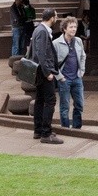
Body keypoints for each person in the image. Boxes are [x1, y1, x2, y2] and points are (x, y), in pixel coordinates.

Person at [31, 9, 63, 144]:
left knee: (39, 100)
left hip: (40, 71)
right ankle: (46, 133)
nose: (56, 19)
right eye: (55, 16)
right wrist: (48, 73)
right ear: (51, 18)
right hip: (44, 73)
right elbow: (41, 54)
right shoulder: (43, 31)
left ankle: (38, 130)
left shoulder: (39, 30)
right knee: (50, 101)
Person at [53, 16, 87, 129]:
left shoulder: (78, 41)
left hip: (77, 78)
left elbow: (83, 56)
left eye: (75, 27)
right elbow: (52, 63)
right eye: (71, 27)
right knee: (65, 106)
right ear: (64, 29)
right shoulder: (56, 43)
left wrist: (81, 71)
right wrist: (60, 77)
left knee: (79, 104)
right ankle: (66, 128)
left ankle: (77, 128)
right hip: (64, 79)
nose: (74, 29)